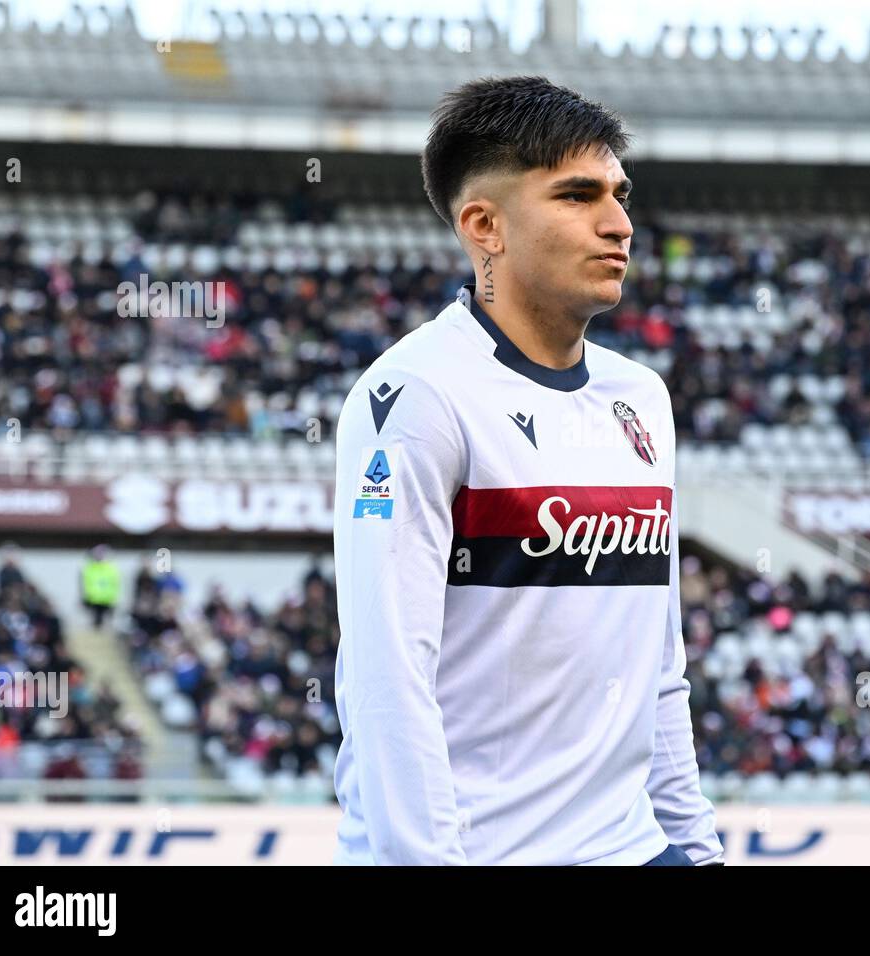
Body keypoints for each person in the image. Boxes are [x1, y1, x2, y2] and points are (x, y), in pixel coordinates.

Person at [331, 76, 723, 866]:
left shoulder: (641, 398)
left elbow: (658, 667)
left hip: (632, 848)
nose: (619, 224)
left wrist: (695, 845)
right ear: (486, 226)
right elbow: (388, 682)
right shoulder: (416, 396)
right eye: (578, 196)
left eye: (619, 193)